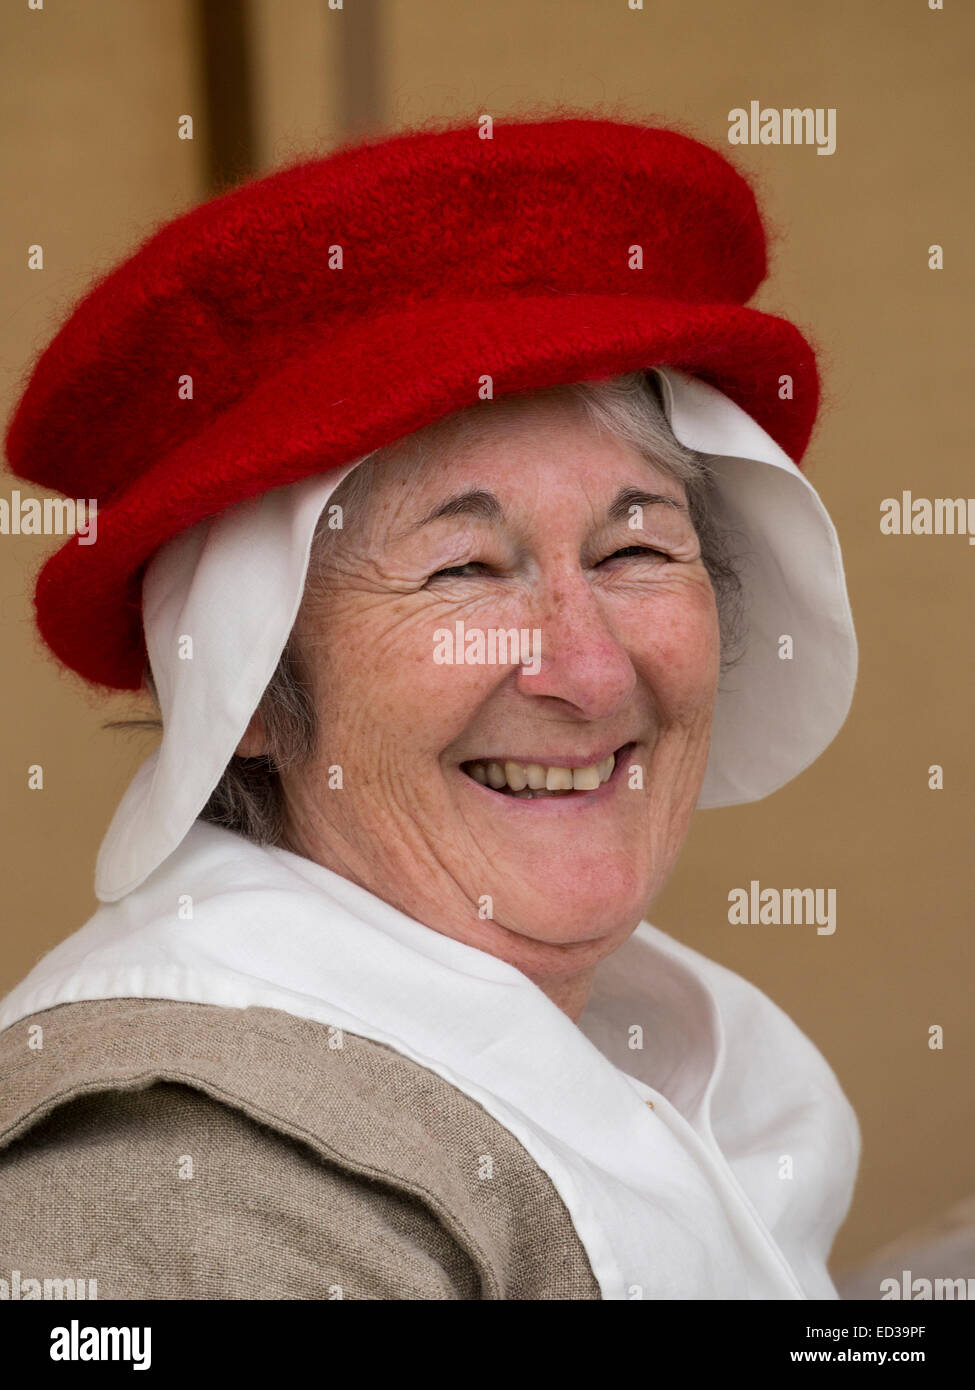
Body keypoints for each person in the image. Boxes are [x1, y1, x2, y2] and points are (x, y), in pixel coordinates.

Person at [0, 113, 858, 1300]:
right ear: (248, 688)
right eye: (463, 572)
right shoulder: (188, 1195)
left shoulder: (639, 1047)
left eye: (635, 549)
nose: (589, 671)